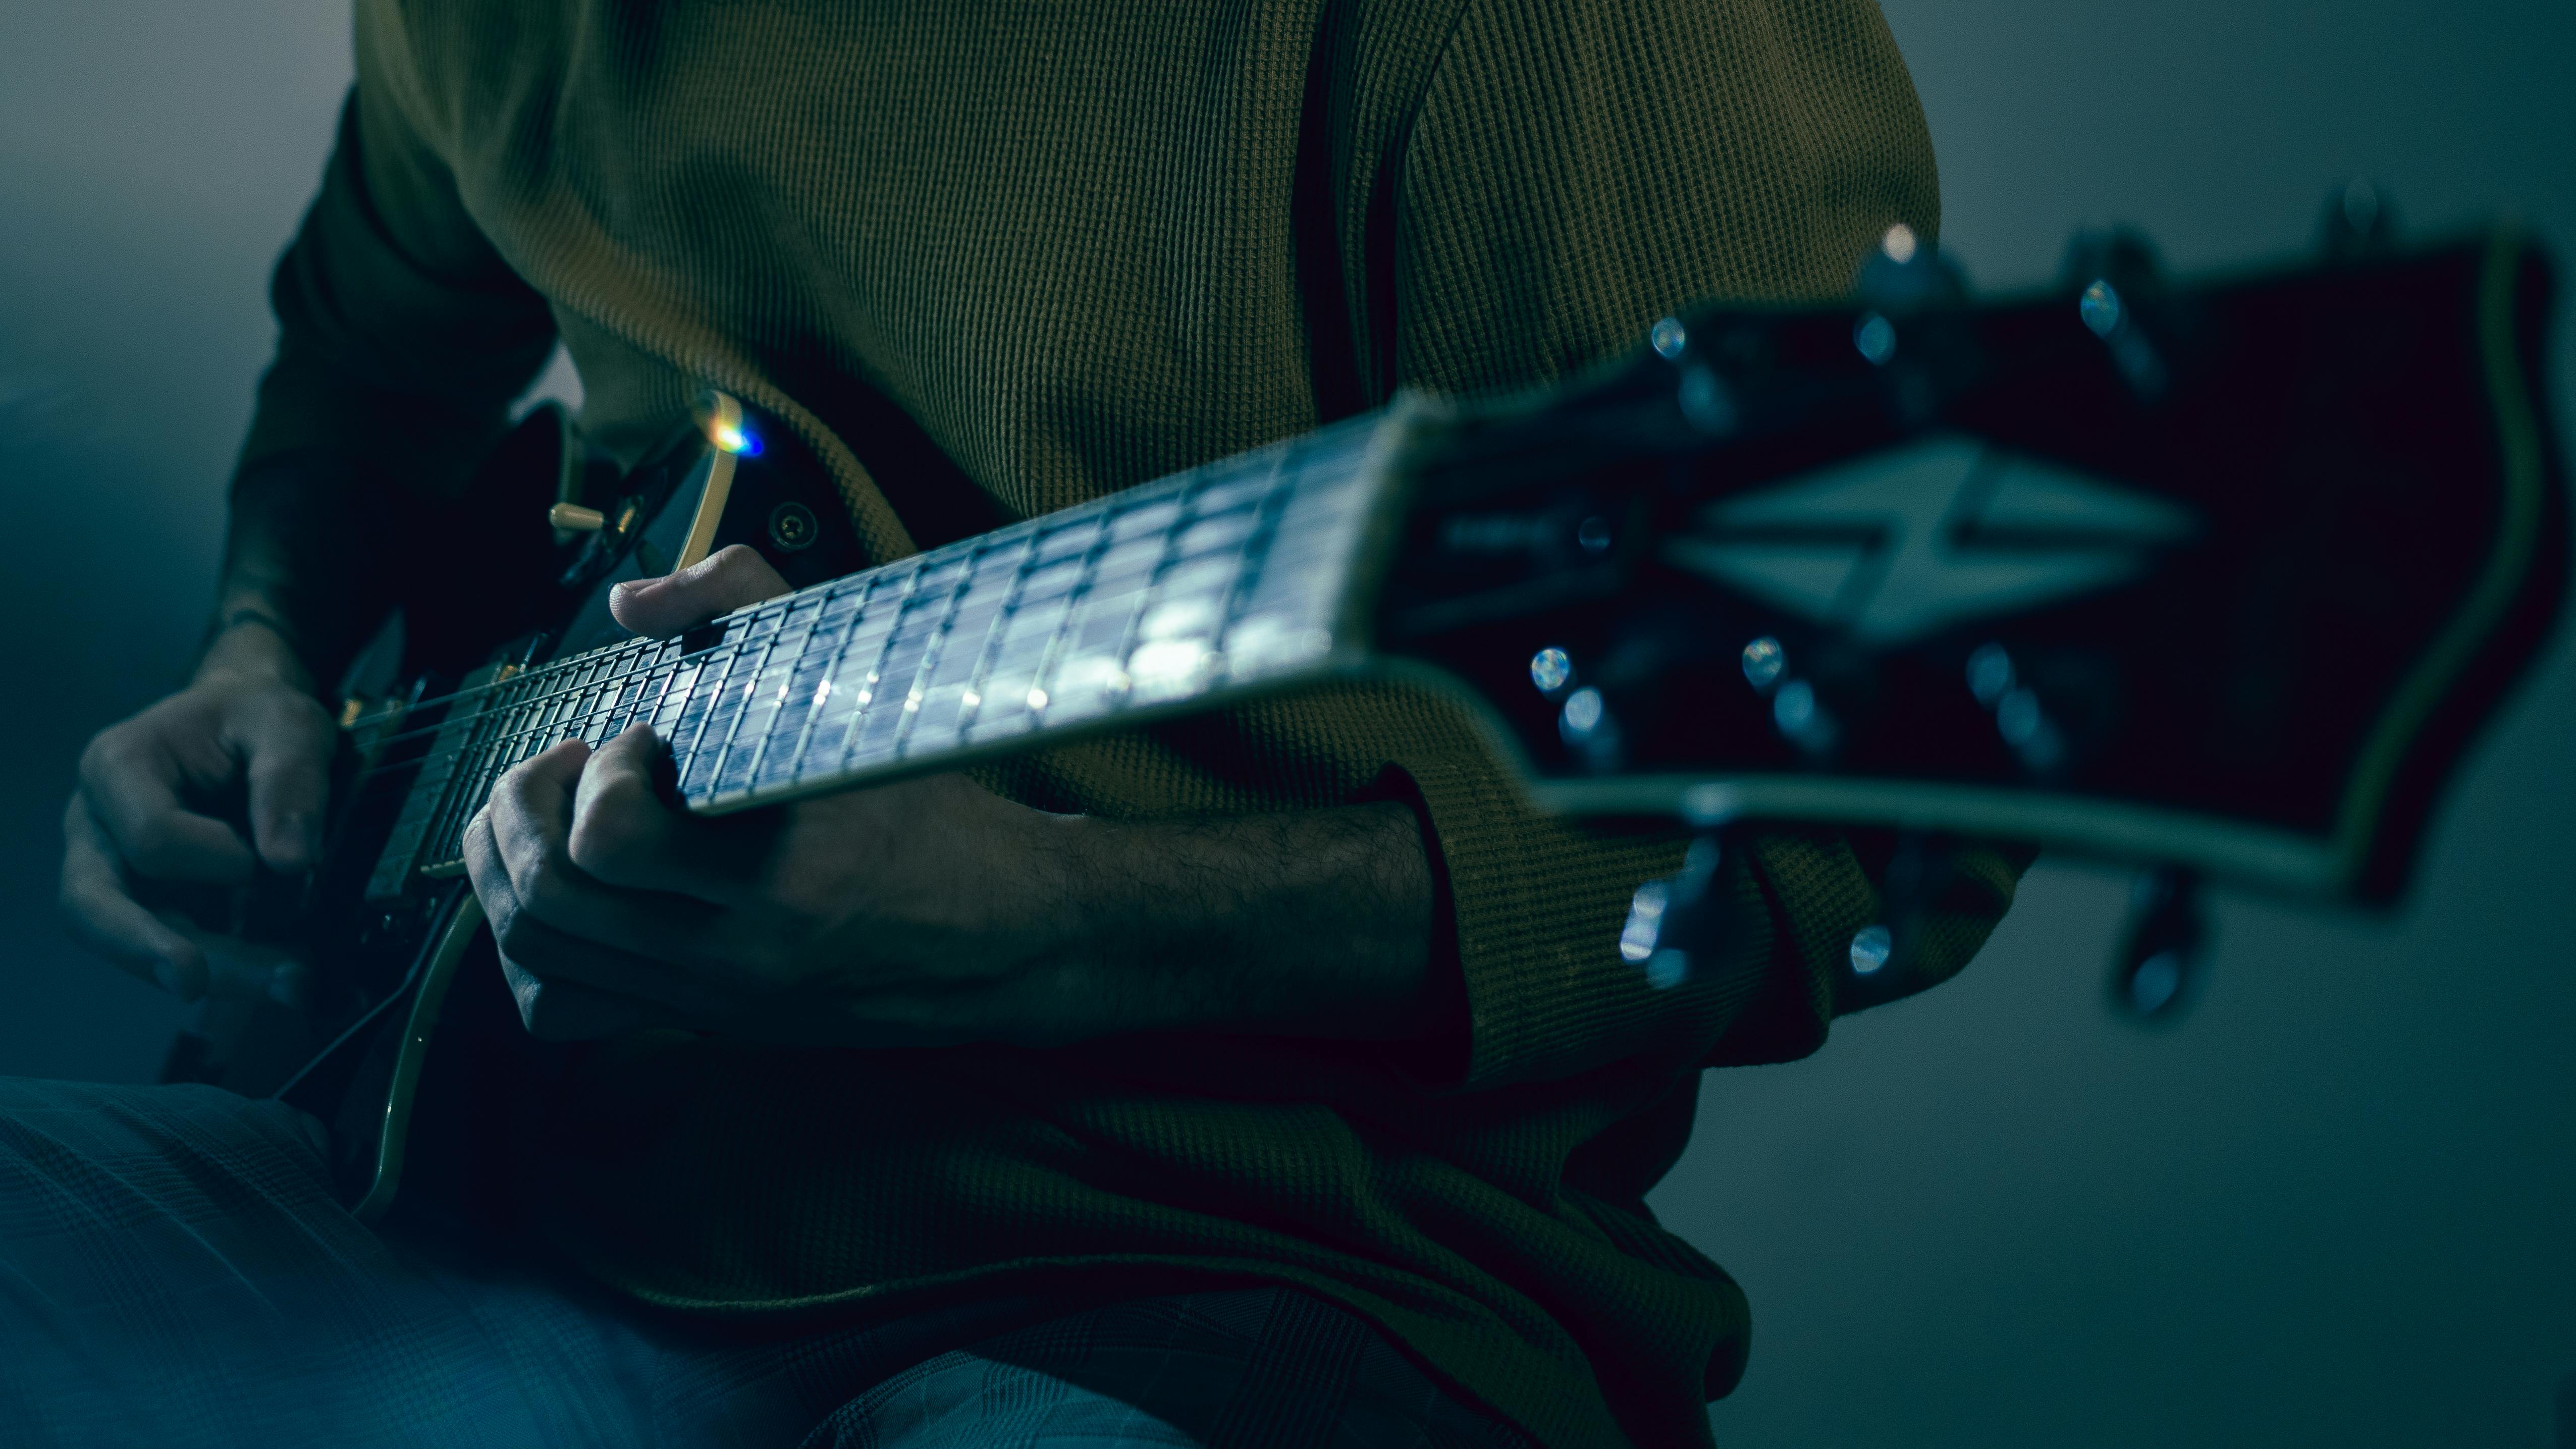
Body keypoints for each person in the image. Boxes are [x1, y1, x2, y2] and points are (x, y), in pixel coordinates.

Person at [25, 2, 2027, 1445]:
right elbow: (363, 371)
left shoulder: (1568, 39)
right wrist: (262, 653)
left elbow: (1865, 792)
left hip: (1250, 1261)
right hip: (475, 1179)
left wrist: (1061, 912)